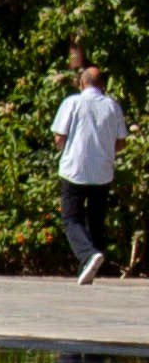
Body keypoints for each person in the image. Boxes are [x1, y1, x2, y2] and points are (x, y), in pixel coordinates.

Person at [55, 46, 128, 284]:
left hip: (74, 168)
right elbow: (121, 143)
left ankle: (87, 256)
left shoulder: (72, 103)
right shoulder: (112, 106)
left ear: (82, 83)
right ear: (102, 85)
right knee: (96, 221)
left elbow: (59, 137)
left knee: (71, 219)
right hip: (102, 172)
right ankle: (88, 269)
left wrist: (62, 148)